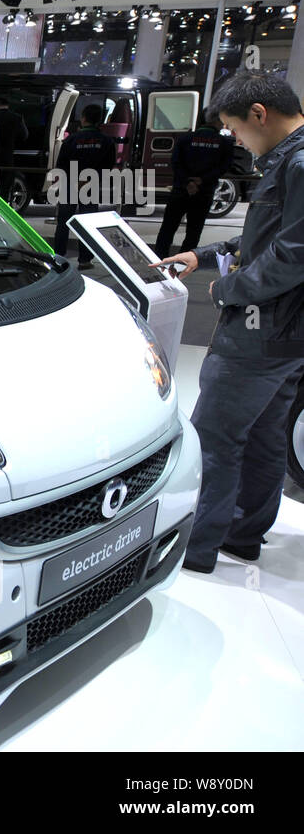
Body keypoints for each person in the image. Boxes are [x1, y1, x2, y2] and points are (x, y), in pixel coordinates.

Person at [152, 72, 304, 573]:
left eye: (235, 129)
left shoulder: (298, 164)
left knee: (213, 436)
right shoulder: (290, 161)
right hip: (287, 336)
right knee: (263, 434)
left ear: (259, 114)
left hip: (261, 331)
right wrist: (207, 253)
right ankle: (242, 534)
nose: (235, 140)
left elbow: (291, 254)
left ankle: (194, 546)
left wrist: (227, 289)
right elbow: (269, 238)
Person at [154, 109, 236, 257]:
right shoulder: (224, 143)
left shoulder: (185, 138)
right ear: (217, 121)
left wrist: (188, 181)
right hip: (204, 192)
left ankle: (159, 258)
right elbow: (224, 167)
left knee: (168, 227)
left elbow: (176, 163)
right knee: (194, 230)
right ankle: (183, 262)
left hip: (181, 189)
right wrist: (202, 180)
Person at [52, 104, 116, 269]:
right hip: (91, 186)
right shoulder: (106, 141)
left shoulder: (71, 140)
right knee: (87, 223)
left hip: (70, 185)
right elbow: (109, 166)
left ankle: (58, 257)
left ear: (84, 118)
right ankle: (85, 260)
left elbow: (61, 165)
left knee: (64, 222)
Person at [0, 96, 28, 202]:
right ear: (7, 106)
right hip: (8, 158)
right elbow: (24, 136)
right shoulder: (17, 118)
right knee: (5, 189)